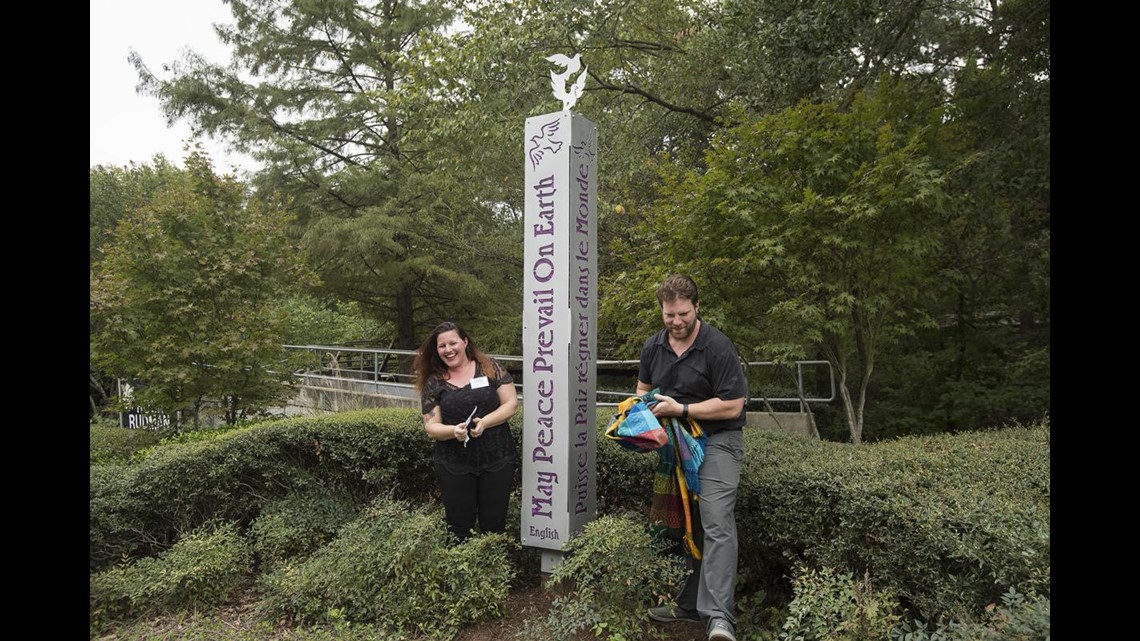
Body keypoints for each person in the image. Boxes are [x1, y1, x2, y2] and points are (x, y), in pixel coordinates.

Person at [638, 274, 747, 641]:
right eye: (669, 315)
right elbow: (643, 391)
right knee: (686, 522)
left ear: (697, 308)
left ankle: (719, 617)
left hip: (718, 441)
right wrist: (640, 416)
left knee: (716, 522)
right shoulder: (654, 346)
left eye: (683, 313)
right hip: (674, 445)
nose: (676, 321)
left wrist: (682, 409)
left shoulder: (717, 346)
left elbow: (733, 404)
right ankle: (688, 605)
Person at [414, 321, 519, 543]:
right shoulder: (434, 381)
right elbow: (432, 427)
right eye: (442, 346)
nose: (448, 349)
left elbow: (511, 404)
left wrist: (486, 422)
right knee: (459, 529)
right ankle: (462, 574)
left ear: (465, 342)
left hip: (497, 459)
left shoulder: (489, 367)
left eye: (453, 343)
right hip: (454, 465)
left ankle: (493, 572)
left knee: (494, 526)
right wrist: (454, 431)